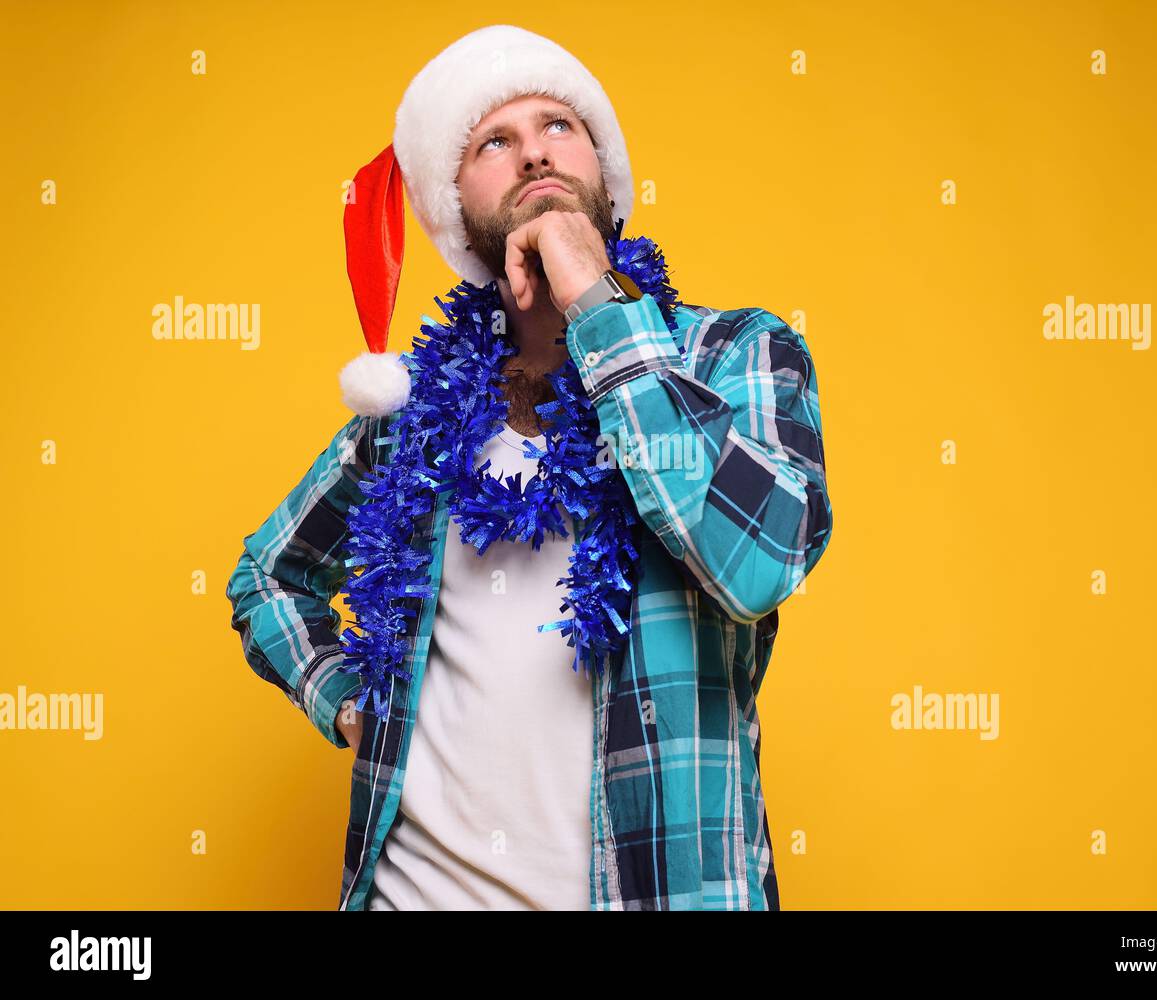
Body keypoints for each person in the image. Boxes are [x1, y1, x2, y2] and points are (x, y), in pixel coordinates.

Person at [225, 23, 832, 911]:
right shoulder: (415, 414)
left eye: (559, 125)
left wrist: (595, 302)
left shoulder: (732, 354)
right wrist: (352, 701)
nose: (535, 155)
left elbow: (757, 566)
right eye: (494, 141)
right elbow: (266, 577)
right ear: (455, 205)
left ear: (605, 169)